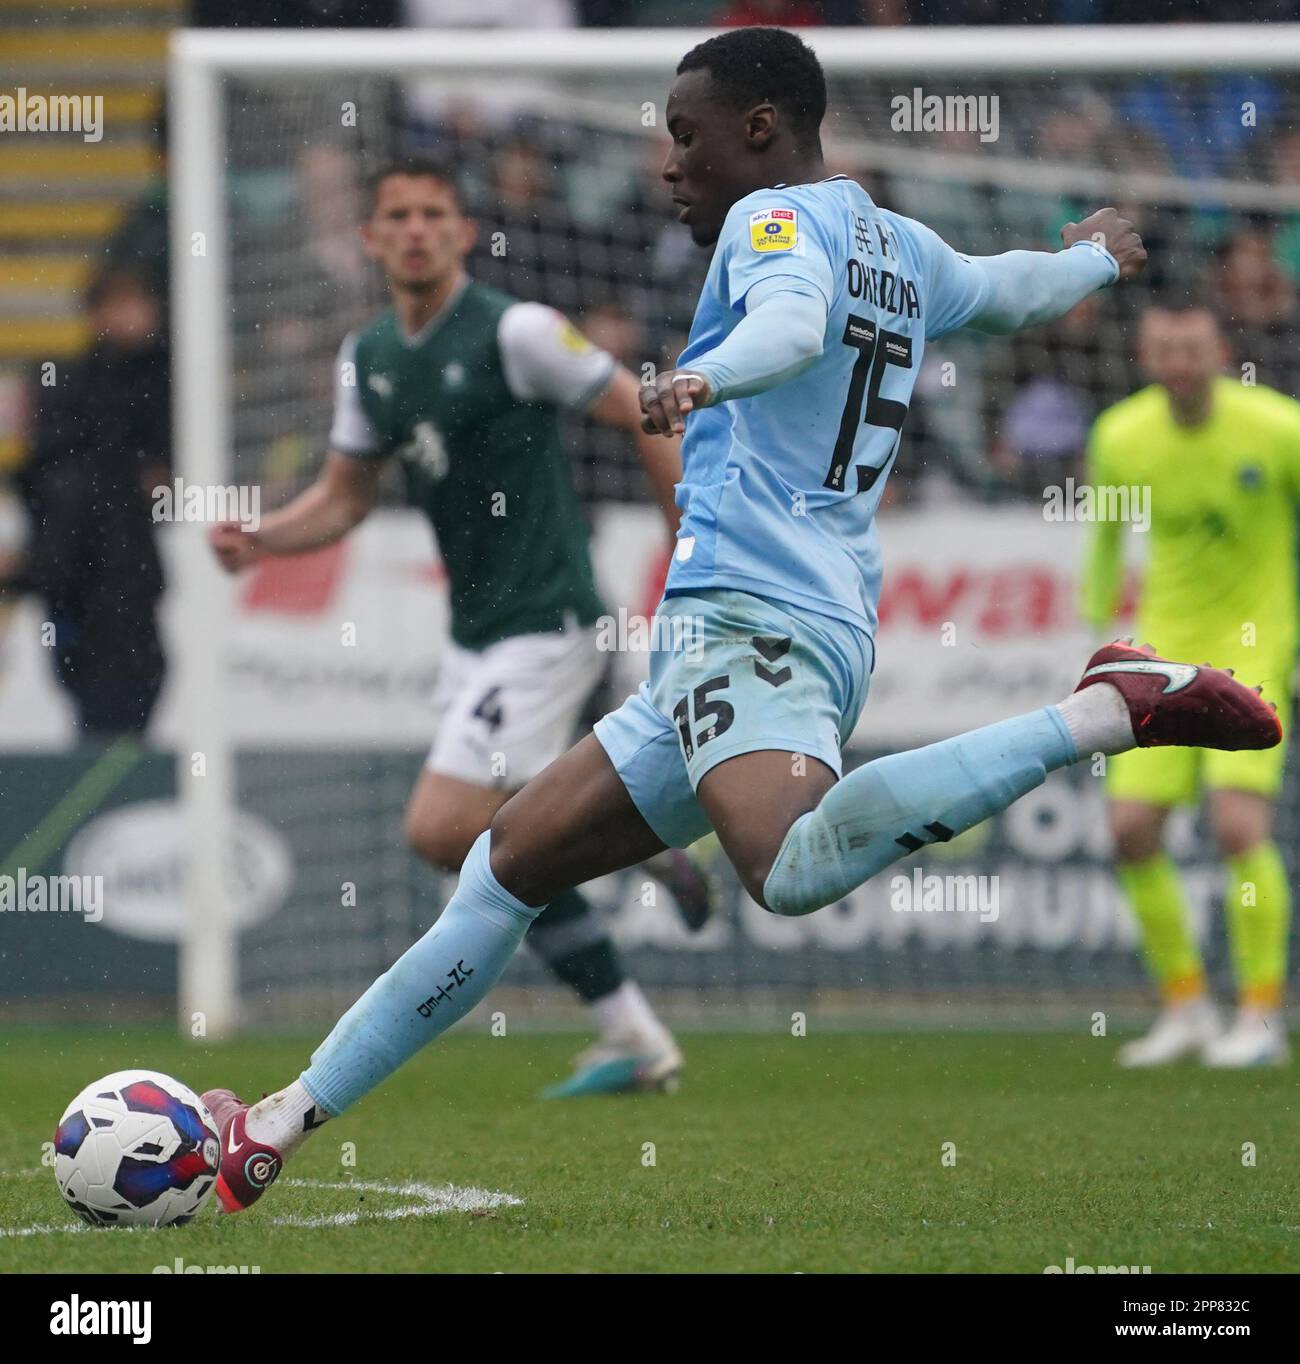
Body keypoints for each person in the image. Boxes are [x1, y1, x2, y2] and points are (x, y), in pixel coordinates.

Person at [201, 27, 1280, 1214]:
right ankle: (275, 1125)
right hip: (754, 628)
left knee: (788, 866)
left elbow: (793, 325)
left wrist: (702, 376)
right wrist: (1091, 262)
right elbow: (1004, 288)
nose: (668, 163)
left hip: (757, 617)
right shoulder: (899, 240)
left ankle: (1096, 712)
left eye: (683, 134)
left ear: (758, 130)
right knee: (501, 866)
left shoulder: (776, 223)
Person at [209, 160, 711, 1102]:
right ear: (369, 238)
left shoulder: (515, 332)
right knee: (502, 844)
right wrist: (264, 538)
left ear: (462, 230)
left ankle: (636, 870)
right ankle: (637, 1032)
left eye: (432, 213)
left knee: (443, 828)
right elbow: (347, 496)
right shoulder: (367, 358)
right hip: (476, 632)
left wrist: (689, 540)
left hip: (548, 618)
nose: (413, 229)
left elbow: (645, 413)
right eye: (394, 214)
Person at [1081, 301, 1300, 1068]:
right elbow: (1104, 543)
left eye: (1192, 345)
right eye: (1164, 347)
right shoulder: (1121, 435)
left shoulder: (1278, 428)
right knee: (1131, 830)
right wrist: (1096, 634)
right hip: (1162, 656)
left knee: (1239, 826)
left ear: (1219, 348)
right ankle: (1187, 1007)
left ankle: (1262, 1015)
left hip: (1257, 645)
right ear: (1143, 356)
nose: (1179, 359)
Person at [19, 267, 170, 738]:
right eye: (122, 305)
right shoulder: (72, 389)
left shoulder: (170, 381)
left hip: (122, 585)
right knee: (101, 703)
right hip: (85, 588)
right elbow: (50, 486)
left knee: (126, 699)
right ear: (97, 315)